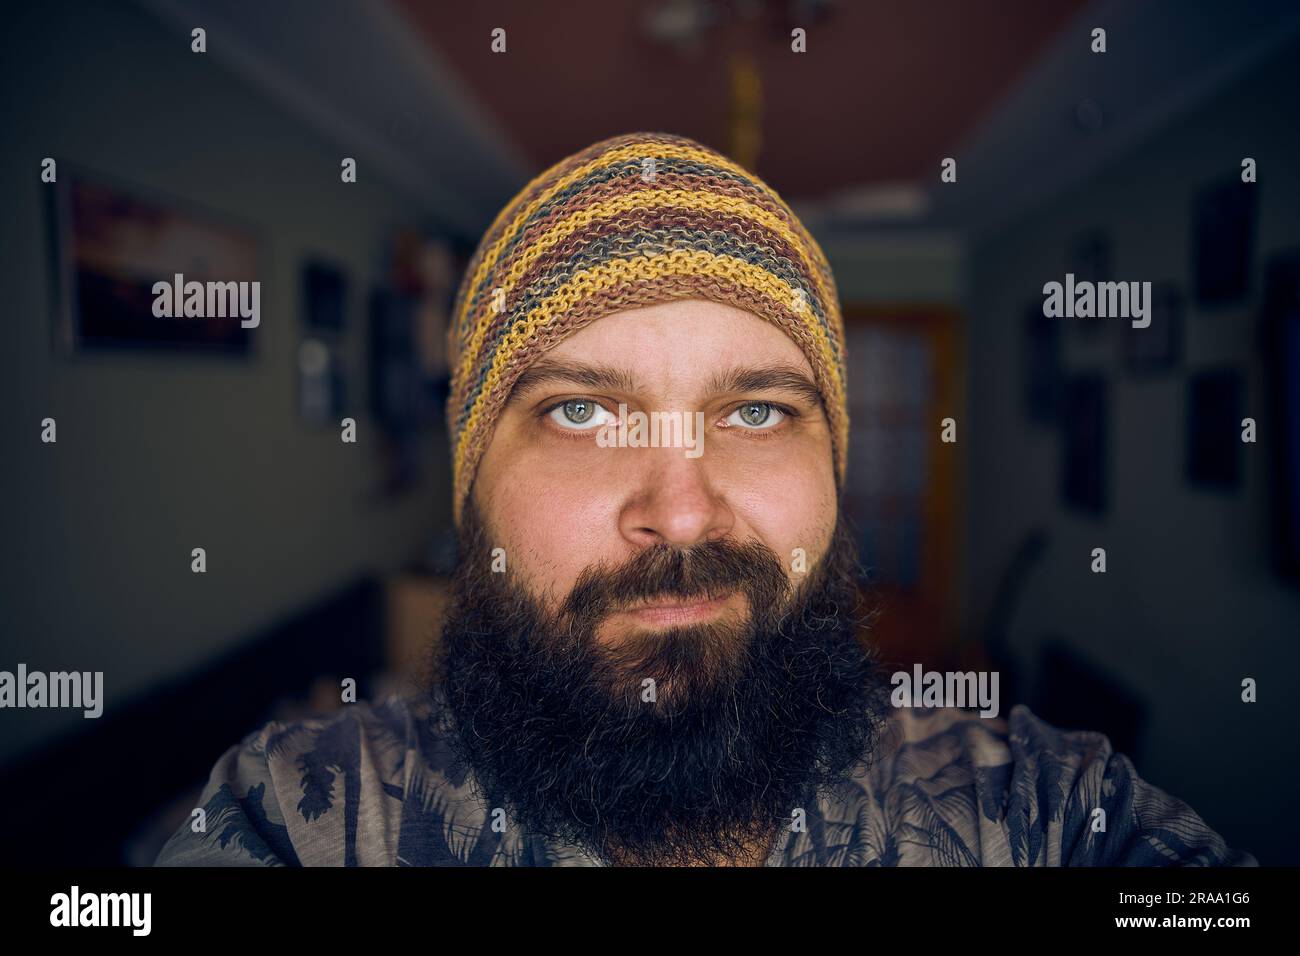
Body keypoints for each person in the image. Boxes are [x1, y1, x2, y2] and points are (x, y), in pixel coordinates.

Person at [155, 132, 1253, 867]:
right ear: (469, 485)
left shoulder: (1048, 815)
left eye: (759, 410)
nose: (681, 514)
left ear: (833, 464)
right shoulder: (305, 818)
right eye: (581, 411)